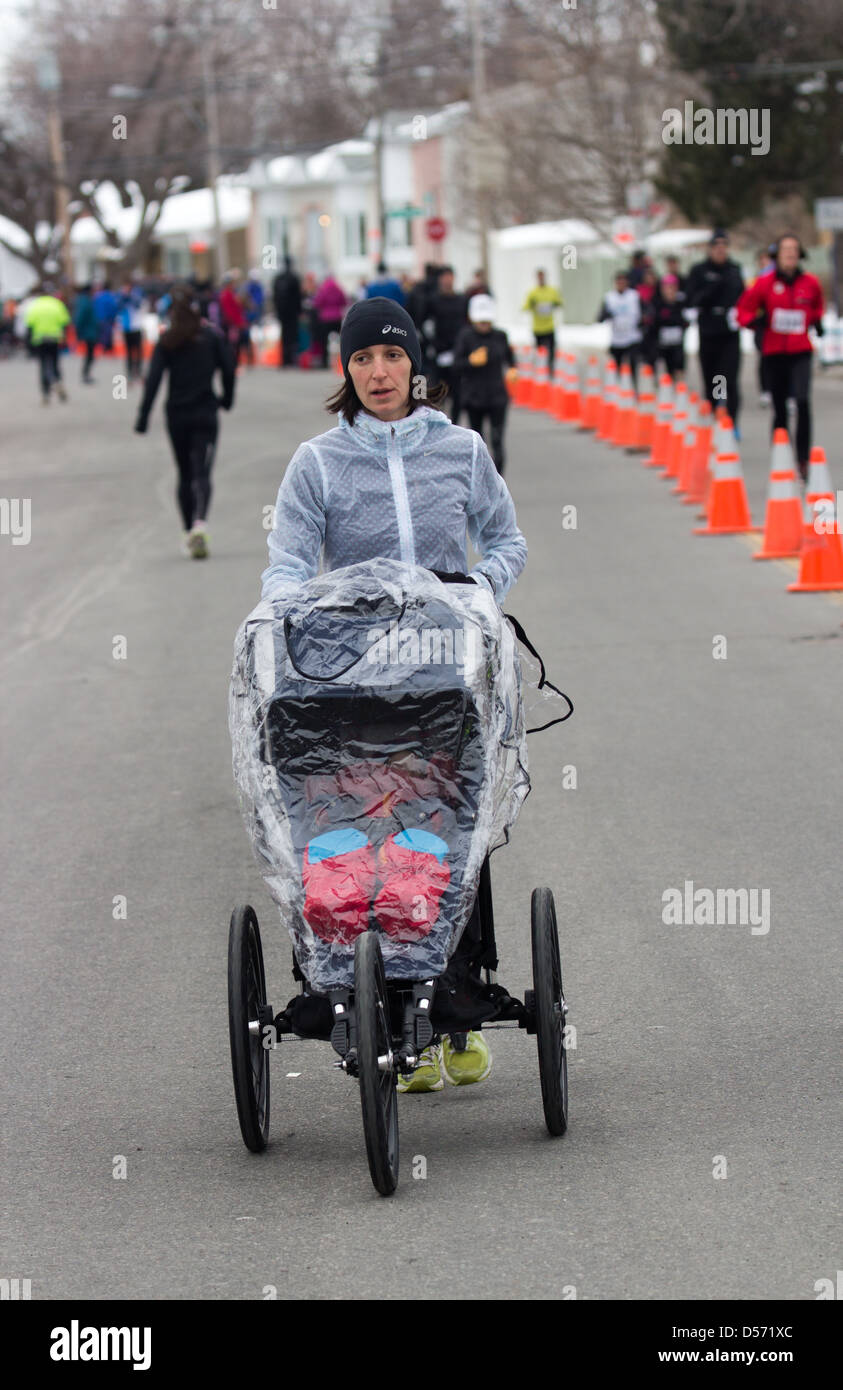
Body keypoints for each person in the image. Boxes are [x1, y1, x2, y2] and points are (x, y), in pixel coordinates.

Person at [261, 297, 527, 1092]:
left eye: (392, 357)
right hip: (348, 678)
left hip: (446, 669)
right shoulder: (317, 463)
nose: (379, 373)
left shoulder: (461, 451)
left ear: (415, 366)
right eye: (363, 360)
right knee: (354, 821)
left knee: (450, 824)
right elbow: (287, 562)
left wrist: (478, 587)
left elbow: (507, 540)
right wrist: (277, 611)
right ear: (345, 371)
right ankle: (361, 995)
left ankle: (453, 1003)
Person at [134, 286, 235, 558]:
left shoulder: (167, 340)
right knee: (202, 471)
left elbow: (153, 380)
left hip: (176, 415)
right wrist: (227, 399)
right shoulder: (212, 337)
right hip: (205, 413)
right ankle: (200, 525)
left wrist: (143, 417)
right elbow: (228, 369)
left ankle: (187, 530)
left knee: (184, 473)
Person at [736, 233, 825, 482]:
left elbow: (817, 306)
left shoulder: (810, 282)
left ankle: (803, 459)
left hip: (800, 351)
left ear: (800, 255)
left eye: (794, 250)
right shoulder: (764, 283)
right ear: (777, 255)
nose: (790, 254)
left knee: (803, 401)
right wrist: (755, 322)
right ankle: (781, 456)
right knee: (780, 408)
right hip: (774, 352)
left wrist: (816, 322)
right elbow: (743, 310)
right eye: (786, 249)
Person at [686, 230, 745, 436]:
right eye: (716, 246)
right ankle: (713, 415)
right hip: (708, 331)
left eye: (724, 246)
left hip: (729, 332)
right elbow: (692, 299)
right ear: (710, 249)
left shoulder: (735, 270)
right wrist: (715, 285)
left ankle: (731, 420)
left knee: (728, 377)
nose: (721, 250)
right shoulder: (699, 271)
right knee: (712, 378)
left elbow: (743, 296)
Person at [453, 294, 516, 475]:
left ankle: (499, 481)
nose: (484, 325)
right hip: (474, 397)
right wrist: (470, 361)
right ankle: (480, 480)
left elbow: (510, 359)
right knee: (477, 442)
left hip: (497, 396)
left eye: (486, 321)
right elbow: (456, 365)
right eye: (480, 321)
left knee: (497, 440)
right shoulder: (465, 337)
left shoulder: (500, 336)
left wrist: (512, 370)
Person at [429, 265, 468, 420]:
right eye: (444, 277)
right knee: (439, 392)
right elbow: (427, 324)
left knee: (458, 393)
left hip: (458, 352)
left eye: (450, 277)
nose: (447, 280)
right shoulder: (433, 301)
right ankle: (440, 422)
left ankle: (455, 423)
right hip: (439, 353)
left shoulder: (461, 300)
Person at [25, 282, 70, 403]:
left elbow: (29, 325)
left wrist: (28, 344)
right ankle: (58, 382)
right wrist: (64, 338)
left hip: (40, 340)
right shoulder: (57, 304)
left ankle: (45, 393)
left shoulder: (35, 305)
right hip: (55, 338)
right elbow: (65, 323)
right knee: (55, 364)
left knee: (43, 365)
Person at [640, 275, 688, 381]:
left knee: (677, 370)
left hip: (676, 346)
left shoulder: (681, 303)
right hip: (659, 347)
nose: (669, 290)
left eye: (672, 287)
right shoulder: (656, 303)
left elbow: (686, 322)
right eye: (667, 287)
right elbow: (651, 326)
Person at [598, 270, 642, 384]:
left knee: (633, 365)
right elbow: (600, 317)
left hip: (632, 337)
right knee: (617, 367)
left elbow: (644, 312)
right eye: (619, 281)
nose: (621, 283)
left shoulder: (634, 296)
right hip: (617, 338)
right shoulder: (609, 297)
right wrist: (606, 315)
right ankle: (619, 388)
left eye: (623, 281)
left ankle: (633, 387)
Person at [522, 268, 563, 379]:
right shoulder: (533, 293)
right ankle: (540, 372)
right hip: (538, 328)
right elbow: (524, 307)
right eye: (539, 277)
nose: (541, 279)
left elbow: (559, 303)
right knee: (540, 352)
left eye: (542, 276)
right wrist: (532, 305)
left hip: (549, 326)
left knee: (551, 352)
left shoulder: (552, 291)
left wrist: (552, 305)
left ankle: (550, 371)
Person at [749, 247, 777, 404]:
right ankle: (765, 390)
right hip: (762, 325)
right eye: (762, 260)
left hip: (777, 326)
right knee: (765, 358)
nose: (765, 262)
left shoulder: (780, 278)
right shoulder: (756, 281)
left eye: (768, 259)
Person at [311, 272, 347, 369]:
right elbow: (344, 301)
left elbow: (317, 303)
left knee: (324, 341)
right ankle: (343, 361)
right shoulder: (338, 288)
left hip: (325, 319)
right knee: (342, 341)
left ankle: (324, 363)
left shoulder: (323, 289)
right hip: (337, 318)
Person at [272, 256, 303, 368]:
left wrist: (277, 310)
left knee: (284, 335)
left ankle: (284, 360)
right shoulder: (294, 278)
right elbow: (298, 297)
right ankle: (291, 359)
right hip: (292, 312)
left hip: (282, 312)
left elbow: (274, 297)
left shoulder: (278, 278)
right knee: (292, 336)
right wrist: (299, 310)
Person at [117, 277, 146, 383]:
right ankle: (129, 371)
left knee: (138, 350)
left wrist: (130, 295)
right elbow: (118, 306)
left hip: (136, 326)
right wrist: (124, 296)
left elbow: (139, 304)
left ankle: (138, 371)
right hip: (126, 327)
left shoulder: (137, 294)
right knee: (129, 351)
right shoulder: (121, 295)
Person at [219, 269, 249, 369]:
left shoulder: (231, 294)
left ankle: (236, 362)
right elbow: (230, 312)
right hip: (232, 324)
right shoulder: (226, 295)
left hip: (234, 323)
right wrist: (238, 322)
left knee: (236, 344)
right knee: (233, 344)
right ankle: (233, 363)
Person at [73, 283, 99, 384]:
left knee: (90, 354)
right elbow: (80, 318)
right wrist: (78, 332)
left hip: (89, 331)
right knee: (90, 355)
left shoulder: (84, 300)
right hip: (89, 332)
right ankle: (86, 374)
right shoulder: (85, 301)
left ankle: (86, 373)